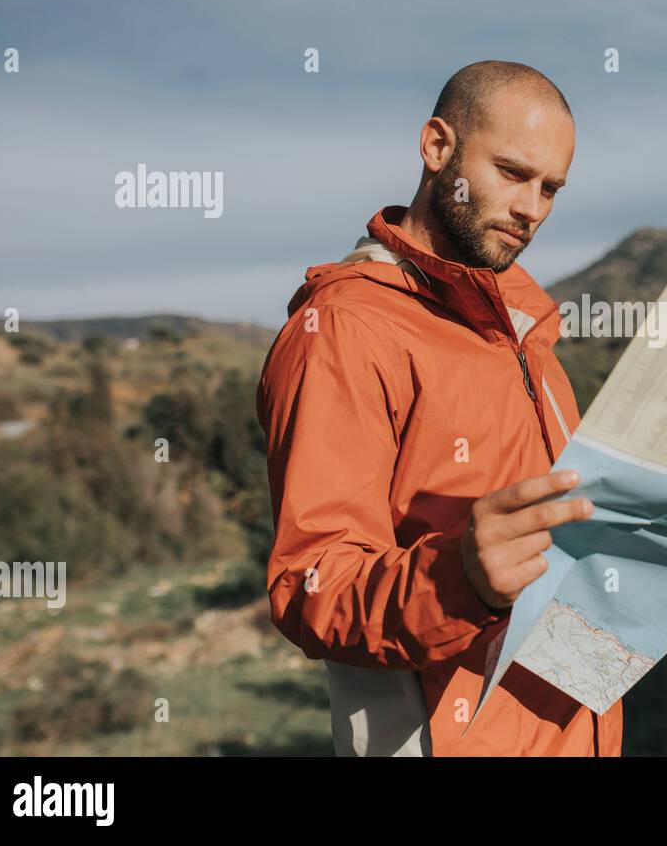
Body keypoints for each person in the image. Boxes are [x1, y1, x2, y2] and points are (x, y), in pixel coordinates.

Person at [256, 61, 622, 756]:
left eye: (551, 188)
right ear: (436, 148)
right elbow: (313, 585)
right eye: (513, 174)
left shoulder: (526, 334)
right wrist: (463, 581)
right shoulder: (345, 327)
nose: (533, 209)